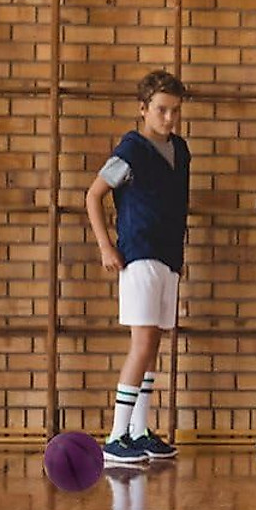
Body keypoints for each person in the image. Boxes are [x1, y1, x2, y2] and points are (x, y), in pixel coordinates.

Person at [86, 69, 191, 464]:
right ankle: (116, 437)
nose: (169, 119)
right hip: (140, 253)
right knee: (142, 342)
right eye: (162, 110)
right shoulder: (130, 150)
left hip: (168, 257)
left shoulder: (180, 151)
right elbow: (93, 196)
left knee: (155, 344)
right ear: (143, 109)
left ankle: (138, 430)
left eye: (175, 111)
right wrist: (106, 247)